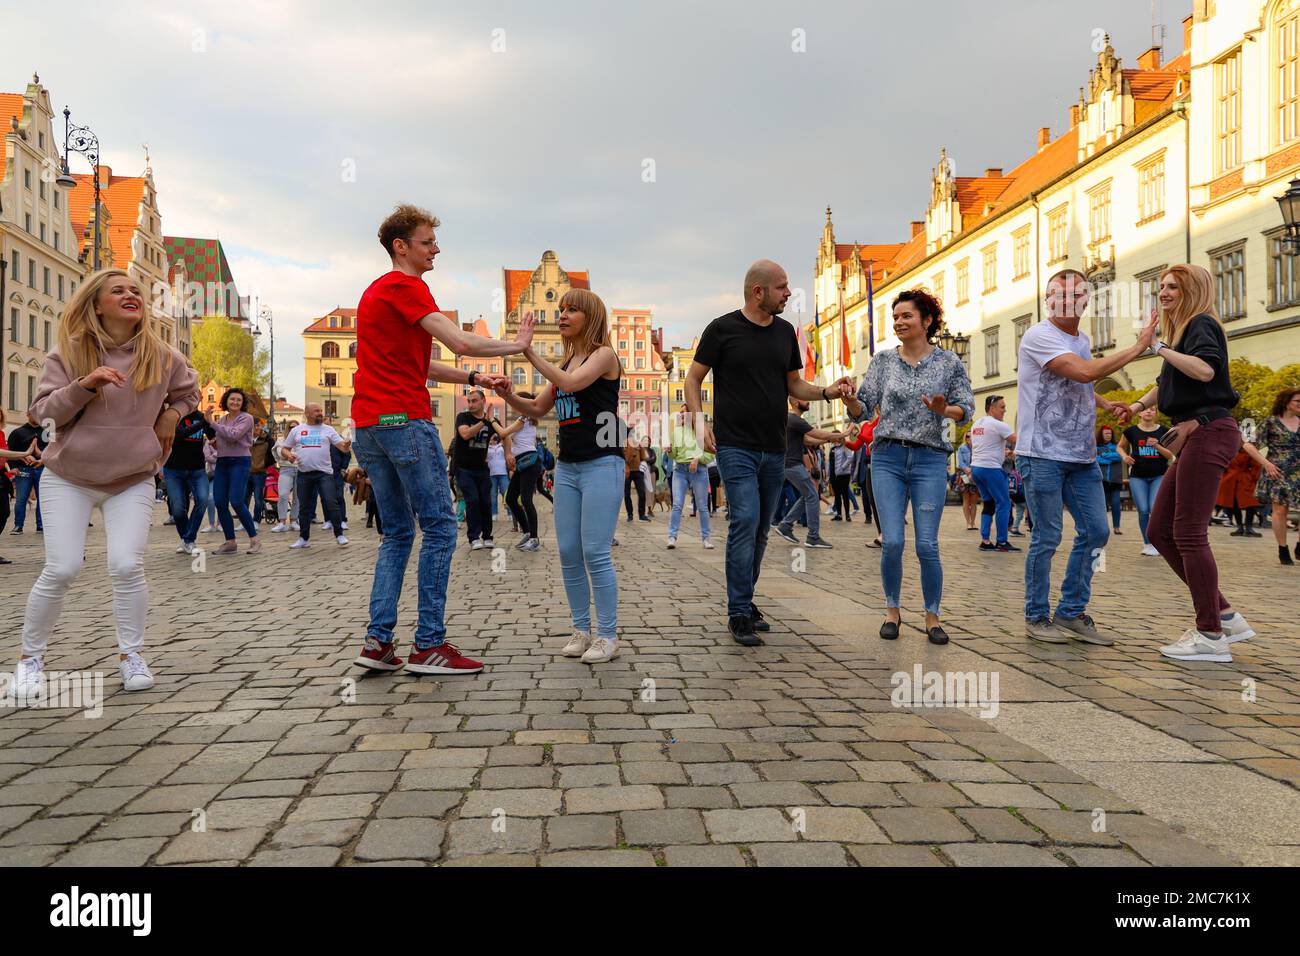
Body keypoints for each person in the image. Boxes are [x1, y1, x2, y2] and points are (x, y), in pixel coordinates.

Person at [349, 203, 523, 676]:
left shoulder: (375, 293)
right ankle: (428, 644)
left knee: (398, 533)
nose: (436, 249)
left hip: (369, 425)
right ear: (400, 247)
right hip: (404, 421)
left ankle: (378, 642)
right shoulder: (406, 286)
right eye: (427, 242)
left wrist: (475, 378)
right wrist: (516, 345)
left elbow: (420, 364)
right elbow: (460, 341)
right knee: (442, 526)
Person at [15, 268, 199, 696]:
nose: (131, 295)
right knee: (62, 567)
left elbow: (188, 393)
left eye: (136, 290)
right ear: (97, 305)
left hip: (132, 476)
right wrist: (85, 385)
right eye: (118, 291)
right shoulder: (70, 350)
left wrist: (172, 415)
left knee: (126, 565)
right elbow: (41, 415)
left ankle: (131, 655)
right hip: (69, 476)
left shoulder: (162, 355)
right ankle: (29, 660)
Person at [688, 259, 854, 645]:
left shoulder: (784, 333)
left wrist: (827, 391)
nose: (789, 293)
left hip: (774, 448)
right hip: (735, 446)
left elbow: (794, 384)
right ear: (758, 291)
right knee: (745, 521)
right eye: (782, 287)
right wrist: (698, 422)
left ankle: (745, 601)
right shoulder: (722, 329)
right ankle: (738, 612)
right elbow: (693, 378)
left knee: (761, 530)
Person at [1016, 269, 1156, 646]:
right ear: (1048, 300)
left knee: (1096, 531)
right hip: (1041, 453)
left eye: (1075, 294)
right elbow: (1080, 372)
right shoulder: (1039, 335)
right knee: (1047, 535)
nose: (1066, 300)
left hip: (1081, 454)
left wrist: (1105, 402)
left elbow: (1077, 382)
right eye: (1058, 294)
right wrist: (1138, 346)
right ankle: (1036, 615)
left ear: (1086, 299)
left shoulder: (1082, 339)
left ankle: (1070, 611)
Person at [1125, 264, 1255, 662]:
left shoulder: (1201, 324)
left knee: (1188, 534)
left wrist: (1157, 347)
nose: (1164, 293)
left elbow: (1205, 370)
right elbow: (1168, 382)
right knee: (1160, 530)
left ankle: (1210, 635)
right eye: (1162, 286)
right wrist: (1135, 406)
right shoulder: (1182, 333)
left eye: (1173, 287)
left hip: (1209, 431)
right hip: (1198, 432)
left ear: (1193, 290)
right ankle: (1225, 616)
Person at [495, 287, 625, 664]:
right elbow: (537, 407)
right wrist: (508, 395)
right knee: (568, 552)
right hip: (568, 467)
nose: (562, 315)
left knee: (595, 551)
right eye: (561, 309)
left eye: (571, 310)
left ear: (591, 317)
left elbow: (570, 385)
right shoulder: (567, 362)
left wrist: (528, 351)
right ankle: (581, 630)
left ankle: (607, 635)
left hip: (603, 462)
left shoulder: (603, 356)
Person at [843, 289, 973, 645]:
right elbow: (863, 409)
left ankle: (932, 617)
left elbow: (965, 409)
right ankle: (892, 611)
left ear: (926, 321)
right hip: (888, 457)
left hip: (930, 458)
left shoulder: (949, 363)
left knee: (927, 544)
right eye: (896, 317)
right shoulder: (883, 361)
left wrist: (944, 410)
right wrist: (851, 400)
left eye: (906, 316)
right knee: (893, 542)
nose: (899, 322)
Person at [773, 397, 845, 548]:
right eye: (804, 399)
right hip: (793, 464)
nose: (808, 402)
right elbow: (818, 434)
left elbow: (808, 441)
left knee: (809, 495)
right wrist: (842, 434)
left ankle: (785, 525)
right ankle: (813, 536)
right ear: (795, 403)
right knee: (812, 495)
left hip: (789, 465)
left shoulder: (791, 420)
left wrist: (827, 440)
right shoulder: (796, 420)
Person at [281, 403, 352, 549]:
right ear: (307, 413)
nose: (320, 413)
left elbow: (342, 448)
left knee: (331, 502)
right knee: (304, 507)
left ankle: (339, 535)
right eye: (316, 411)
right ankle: (303, 538)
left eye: (320, 410)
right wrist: (288, 455)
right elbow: (284, 449)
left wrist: (346, 445)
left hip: (324, 474)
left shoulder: (328, 429)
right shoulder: (297, 430)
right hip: (304, 474)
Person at [1243, 387, 1300, 565]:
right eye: (1298, 401)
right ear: (1286, 402)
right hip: (1278, 472)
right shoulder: (1270, 422)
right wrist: (1266, 463)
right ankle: (1283, 549)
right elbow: (1248, 445)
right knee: (1280, 511)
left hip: (1299, 472)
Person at [207, 388, 262, 556]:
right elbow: (221, 440)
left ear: (242, 403)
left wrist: (212, 423)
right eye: (232, 399)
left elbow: (233, 435)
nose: (235, 402)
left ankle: (255, 540)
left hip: (240, 461)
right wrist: (214, 442)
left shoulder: (246, 418)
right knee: (220, 501)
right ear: (226, 401)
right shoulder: (223, 419)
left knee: (237, 501)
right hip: (222, 462)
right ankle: (230, 542)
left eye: (239, 400)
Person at [454, 389, 509, 550]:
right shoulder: (463, 417)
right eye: (469, 401)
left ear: (483, 401)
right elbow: (465, 434)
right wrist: (483, 422)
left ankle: (487, 536)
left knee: (486, 502)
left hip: (482, 469)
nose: (470, 404)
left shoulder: (491, 421)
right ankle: (474, 538)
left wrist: (508, 453)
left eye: (474, 401)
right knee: (472, 500)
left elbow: (505, 435)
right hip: (464, 468)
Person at [1119, 406, 1172, 555]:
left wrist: (1156, 445)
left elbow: (1170, 455)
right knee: (1143, 510)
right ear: (1140, 413)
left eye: (1152, 410)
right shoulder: (1131, 431)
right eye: (1146, 409)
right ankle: (1147, 543)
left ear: (1156, 414)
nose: (1149, 411)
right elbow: (1120, 447)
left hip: (1159, 475)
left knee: (1154, 509)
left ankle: (1157, 542)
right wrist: (1125, 456)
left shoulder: (1164, 431)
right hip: (1138, 476)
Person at [161, 408, 215, 554]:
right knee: (178, 509)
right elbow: (180, 434)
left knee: (203, 500)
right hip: (174, 469)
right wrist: (204, 422)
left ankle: (188, 540)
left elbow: (212, 437)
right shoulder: (174, 414)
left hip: (197, 469)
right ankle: (187, 540)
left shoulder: (201, 417)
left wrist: (210, 423)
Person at [969, 395, 1018, 552]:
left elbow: (985, 445)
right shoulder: (998, 424)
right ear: (992, 408)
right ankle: (1002, 542)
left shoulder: (977, 424)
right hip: (991, 469)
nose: (1005, 410)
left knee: (988, 503)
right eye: (1002, 407)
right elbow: (1018, 439)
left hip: (976, 468)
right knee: (1004, 503)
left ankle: (985, 541)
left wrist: (1003, 452)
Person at [666, 402, 714, 549]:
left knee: (702, 506)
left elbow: (711, 454)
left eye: (684, 413)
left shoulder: (703, 432)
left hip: (699, 470)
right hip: (680, 470)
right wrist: (670, 451)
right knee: (677, 504)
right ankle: (672, 537)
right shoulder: (677, 432)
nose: (681, 415)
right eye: (680, 413)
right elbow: (675, 455)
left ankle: (706, 539)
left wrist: (698, 459)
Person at [501, 394, 542, 551]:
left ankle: (534, 538)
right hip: (523, 463)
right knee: (511, 498)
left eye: (516, 401)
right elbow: (506, 438)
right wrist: (508, 453)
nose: (513, 404)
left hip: (529, 462)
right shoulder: (526, 420)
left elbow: (503, 433)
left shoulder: (524, 419)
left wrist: (492, 421)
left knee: (526, 500)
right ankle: (527, 532)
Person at [6, 419, 47, 535]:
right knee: (21, 499)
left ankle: (41, 526)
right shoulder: (17, 432)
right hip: (23, 469)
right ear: (28, 415)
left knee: (42, 499)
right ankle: (18, 526)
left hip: (42, 469)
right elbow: (10, 451)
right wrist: (13, 467)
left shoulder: (46, 432)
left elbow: (52, 450)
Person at [1217, 448, 1262, 538]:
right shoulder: (1227, 450)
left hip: (1245, 479)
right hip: (1230, 480)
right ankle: (1240, 527)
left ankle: (1249, 527)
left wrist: (1253, 478)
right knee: (1234, 504)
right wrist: (1223, 476)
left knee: (1250, 503)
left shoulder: (1248, 450)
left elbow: (1257, 465)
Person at [271, 419, 301, 533]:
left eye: (296, 427)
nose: (293, 429)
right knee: (283, 495)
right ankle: (282, 522)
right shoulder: (281, 440)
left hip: (300, 469)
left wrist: (290, 455)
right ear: (288, 428)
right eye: (291, 427)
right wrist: (289, 455)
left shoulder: (301, 441)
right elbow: (279, 452)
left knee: (298, 497)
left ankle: (294, 521)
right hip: (285, 469)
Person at [1096, 425, 1125, 535]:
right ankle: (1102, 527)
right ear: (1101, 434)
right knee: (1102, 506)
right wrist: (1108, 459)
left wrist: (1104, 455)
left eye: (1110, 433)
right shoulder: (1096, 447)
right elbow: (1095, 459)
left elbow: (1119, 456)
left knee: (1116, 504)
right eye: (1106, 433)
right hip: (1101, 480)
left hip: (1115, 480)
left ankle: (1116, 527)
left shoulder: (1117, 446)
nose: (1108, 435)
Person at [246, 420, 273, 525]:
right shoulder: (245, 438)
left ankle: (256, 520)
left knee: (258, 498)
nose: (255, 428)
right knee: (244, 498)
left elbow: (273, 454)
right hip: (246, 472)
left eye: (257, 425)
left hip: (259, 473)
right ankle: (245, 521)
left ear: (261, 426)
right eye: (253, 426)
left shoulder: (267, 439)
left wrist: (264, 464)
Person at [955, 432, 979, 531]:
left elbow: (979, 460)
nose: (969, 438)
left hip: (975, 474)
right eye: (968, 436)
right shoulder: (962, 448)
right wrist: (967, 470)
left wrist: (973, 471)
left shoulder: (977, 447)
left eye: (971, 436)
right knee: (966, 500)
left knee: (974, 501)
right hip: (964, 475)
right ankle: (968, 523)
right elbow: (960, 462)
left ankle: (973, 522)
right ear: (965, 437)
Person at [623, 434, 649, 522]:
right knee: (627, 494)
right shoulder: (622, 445)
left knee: (642, 493)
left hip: (638, 471)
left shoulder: (638, 444)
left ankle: (642, 515)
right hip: (627, 471)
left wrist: (642, 465)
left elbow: (644, 457)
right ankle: (630, 515)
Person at [487, 433, 509, 523]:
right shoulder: (487, 447)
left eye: (494, 436)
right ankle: (494, 514)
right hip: (492, 473)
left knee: (506, 493)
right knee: (493, 495)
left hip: (503, 472)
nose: (493, 437)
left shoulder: (501, 446)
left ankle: (510, 514)